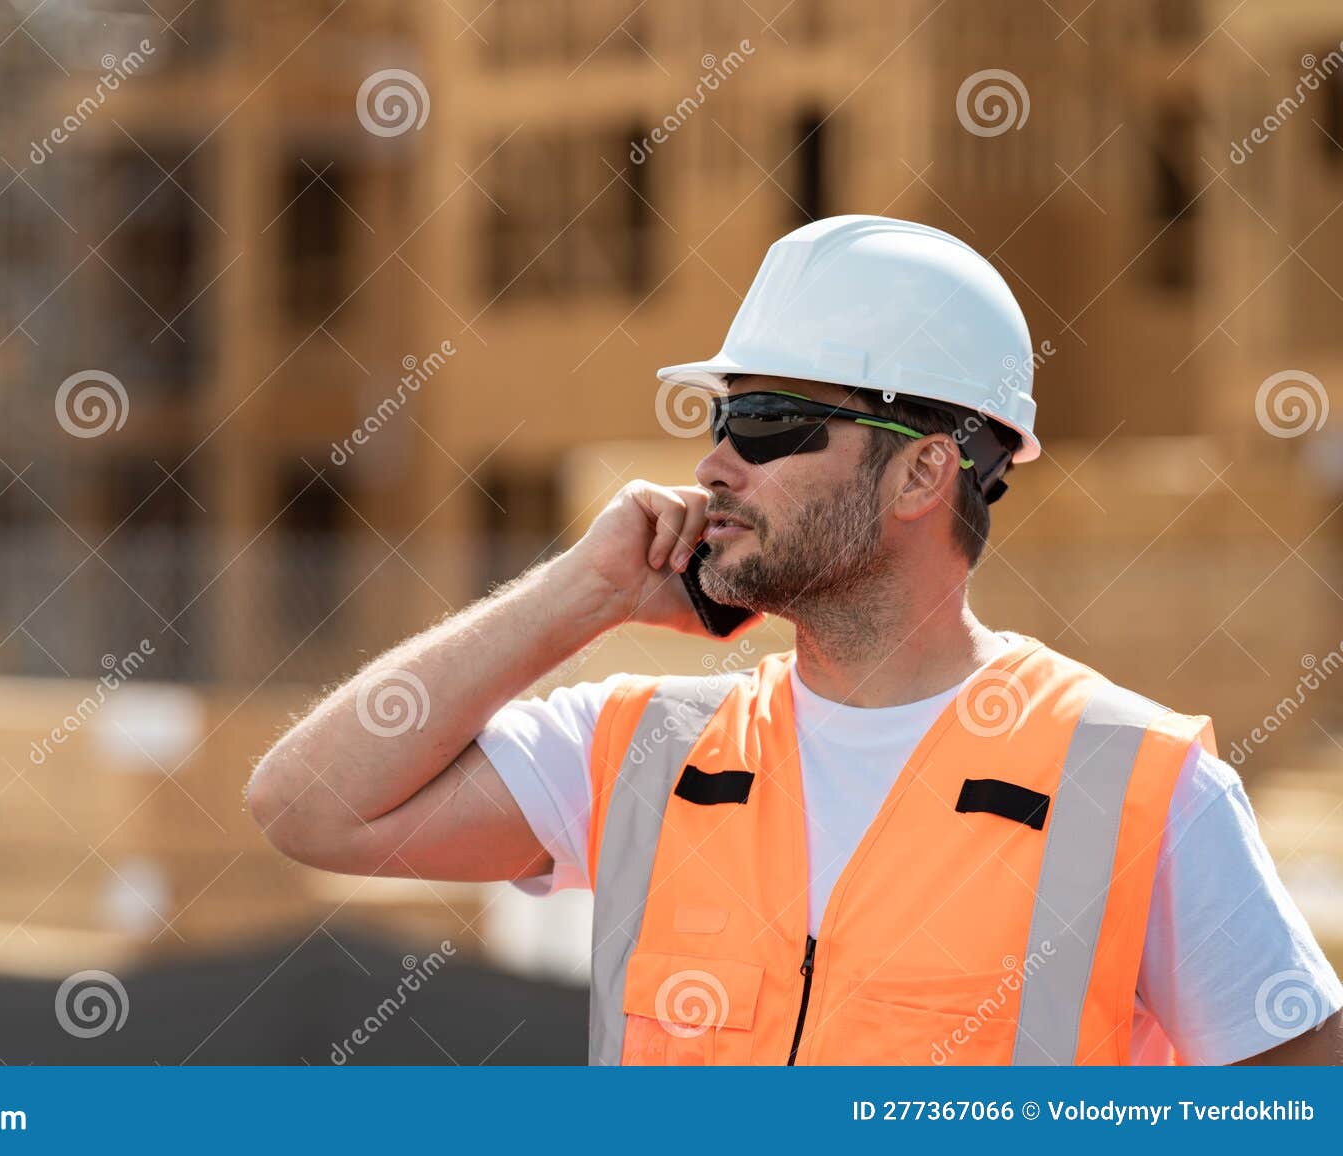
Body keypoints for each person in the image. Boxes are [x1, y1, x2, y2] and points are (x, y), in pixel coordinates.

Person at [247, 215, 1343, 1065]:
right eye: (718, 420)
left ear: (923, 470)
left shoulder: (1135, 783)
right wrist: (579, 596)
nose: (714, 463)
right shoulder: (646, 752)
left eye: (769, 421)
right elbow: (308, 807)